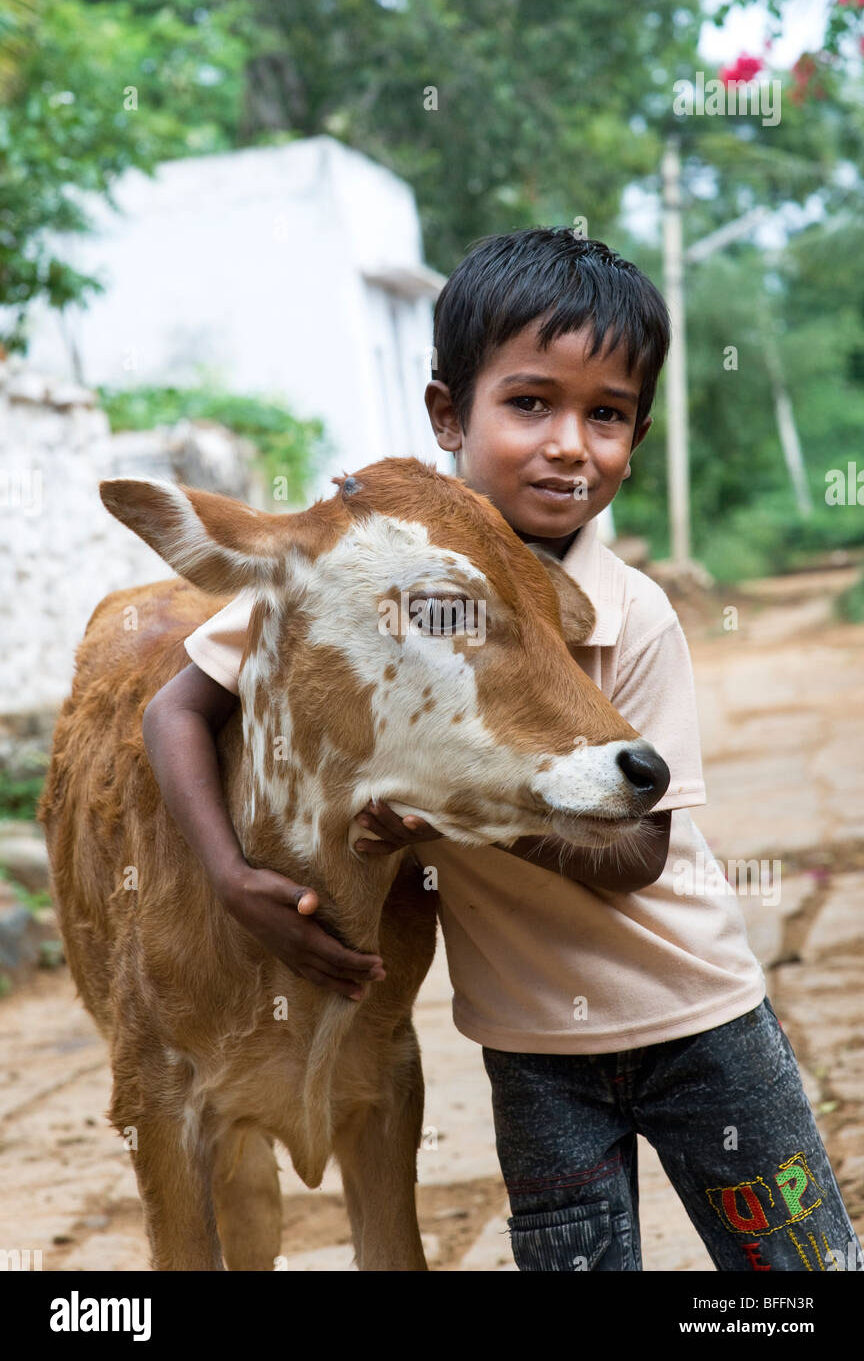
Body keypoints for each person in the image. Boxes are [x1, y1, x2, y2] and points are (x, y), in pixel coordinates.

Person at [142, 228, 861, 1272]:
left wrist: (452, 812)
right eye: (532, 404)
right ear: (449, 413)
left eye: (606, 415)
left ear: (636, 434)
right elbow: (180, 707)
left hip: (699, 1021)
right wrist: (228, 876)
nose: (571, 443)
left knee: (799, 1271)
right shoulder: (368, 577)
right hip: (535, 1055)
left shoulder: (636, 614)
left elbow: (638, 854)